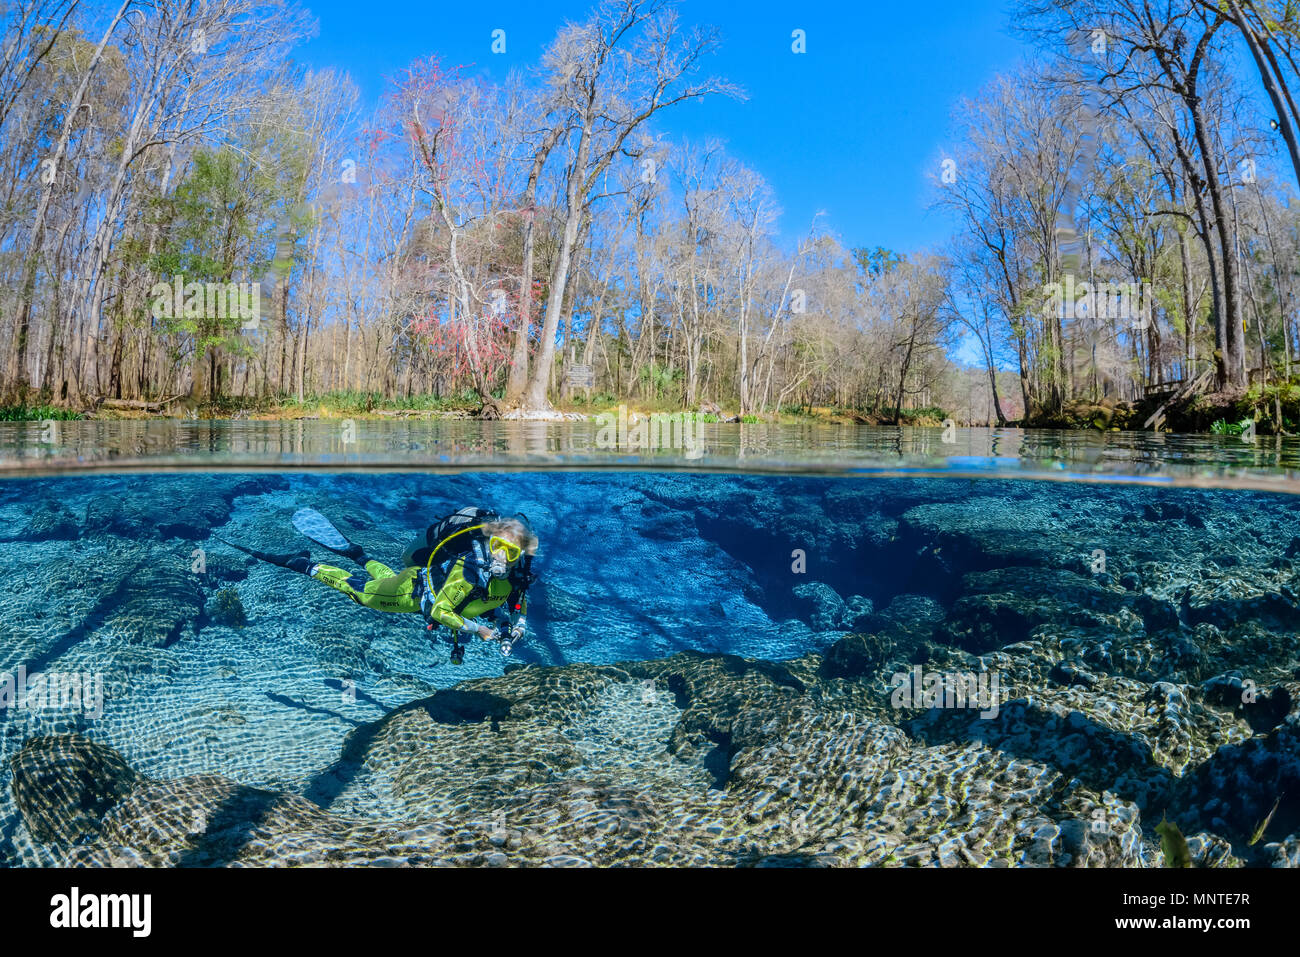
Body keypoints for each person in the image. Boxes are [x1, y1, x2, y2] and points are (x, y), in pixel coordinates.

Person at [218, 507, 537, 665]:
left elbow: (496, 604)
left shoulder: (512, 581)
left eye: (508, 552)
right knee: (362, 594)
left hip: (412, 579)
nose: (499, 556)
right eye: (496, 545)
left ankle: (359, 554)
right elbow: (441, 610)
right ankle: (305, 564)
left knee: (383, 579)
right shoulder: (468, 571)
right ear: (487, 541)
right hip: (410, 593)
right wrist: (477, 630)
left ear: (519, 555)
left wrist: (508, 624)